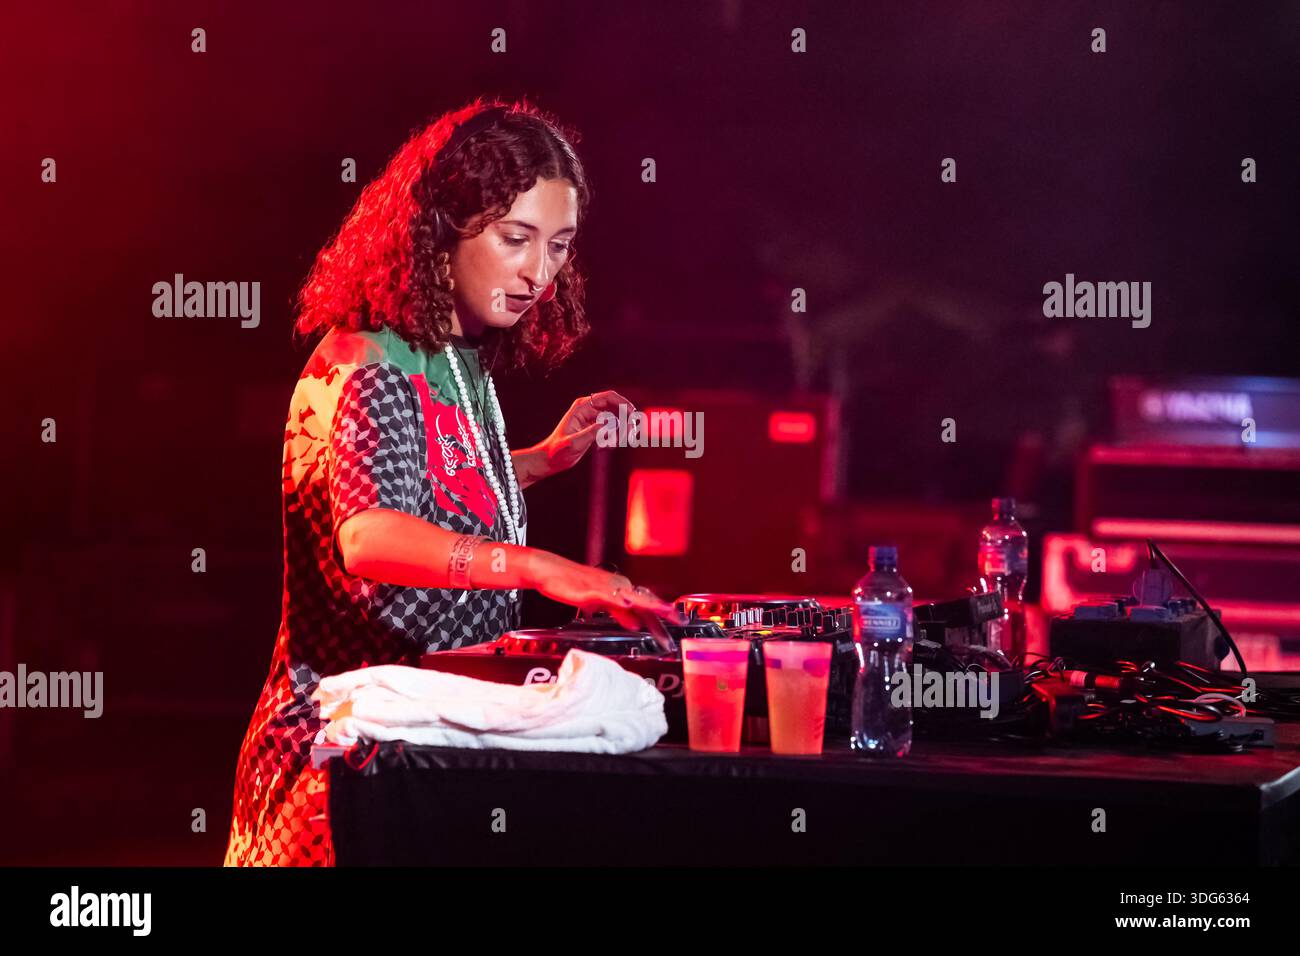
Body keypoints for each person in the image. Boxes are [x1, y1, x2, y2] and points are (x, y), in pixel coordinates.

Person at [223, 97, 677, 866]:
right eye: (516, 238)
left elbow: (431, 492)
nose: (540, 271)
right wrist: (542, 566)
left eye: (559, 246)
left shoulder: (454, 356)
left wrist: (537, 460)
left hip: (420, 752)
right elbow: (371, 534)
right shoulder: (370, 359)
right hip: (343, 769)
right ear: (439, 230)